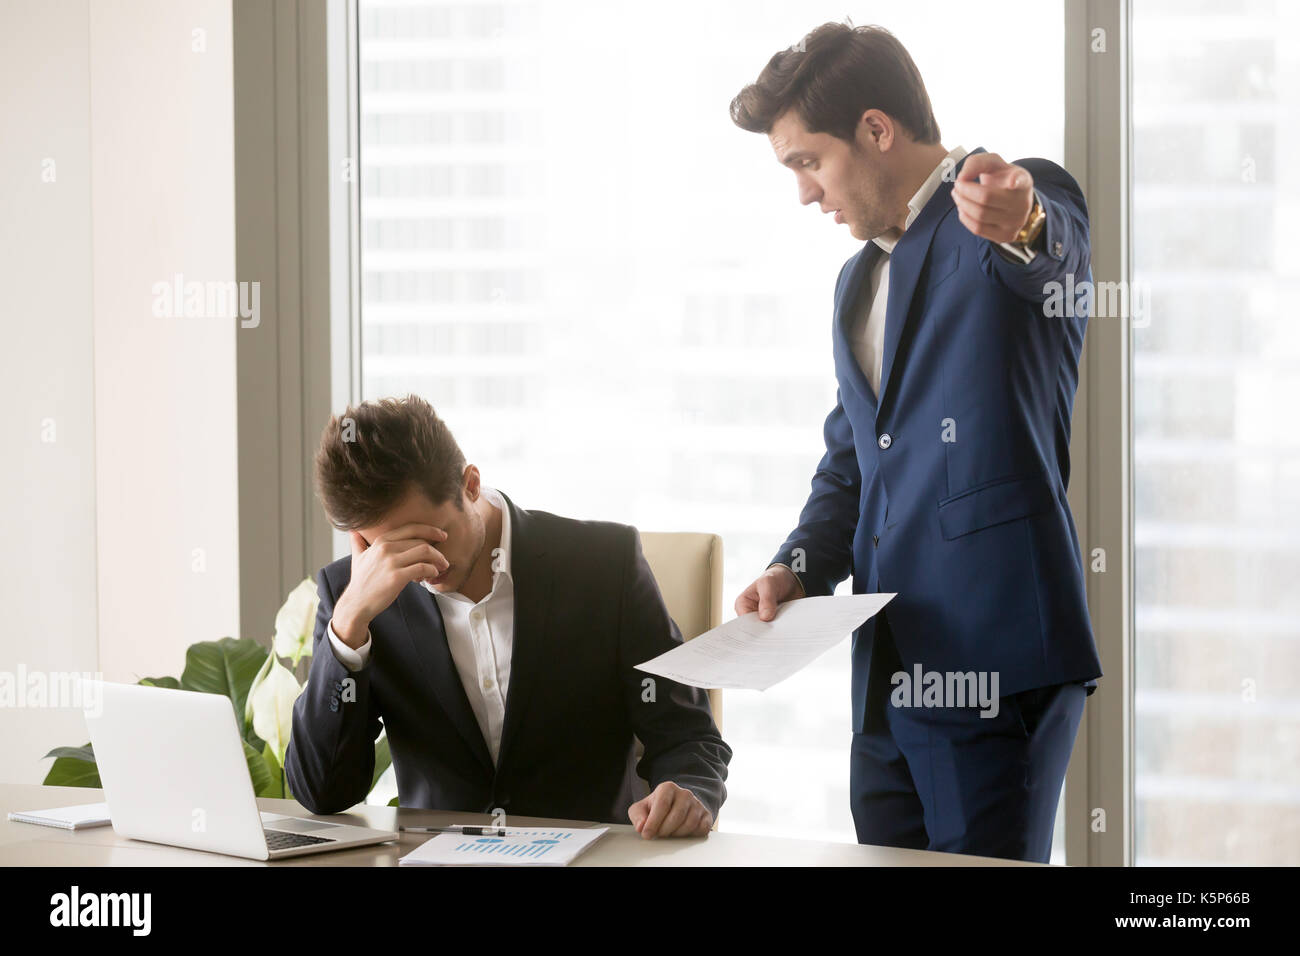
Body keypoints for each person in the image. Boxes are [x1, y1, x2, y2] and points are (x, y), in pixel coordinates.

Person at [730, 21, 1102, 862]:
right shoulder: (854, 282)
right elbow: (856, 460)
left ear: (875, 129)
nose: (803, 193)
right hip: (885, 679)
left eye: (807, 162)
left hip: (995, 662)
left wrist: (1026, 221)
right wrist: (796, 564)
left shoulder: (1001, 206)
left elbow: (1058, 257)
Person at [285, 394, 730, 838]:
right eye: (393, 551)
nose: (426, 568)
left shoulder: (605, 565)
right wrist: (347, 628)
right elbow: (323, 792)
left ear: (470, 485)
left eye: (434, 539)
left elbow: (687, 735)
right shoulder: (354, 600)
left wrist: (685, 789)